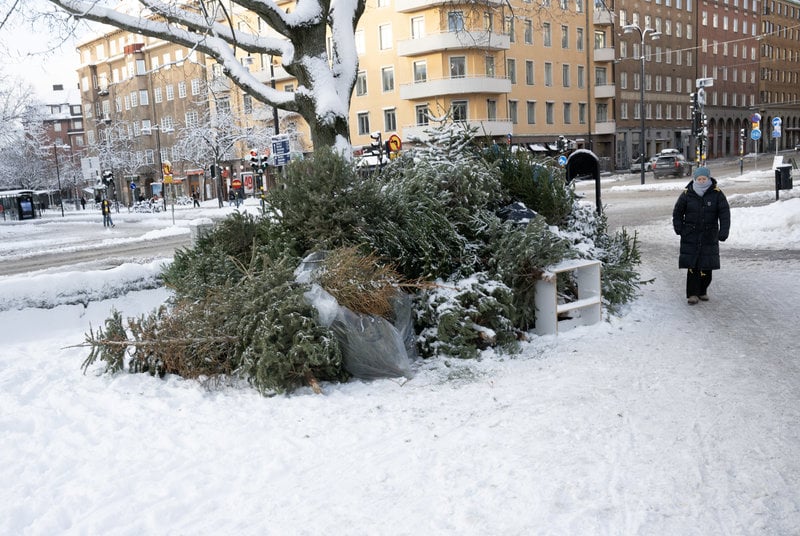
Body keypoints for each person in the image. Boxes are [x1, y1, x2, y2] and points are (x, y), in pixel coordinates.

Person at [672, 166, 730, 305]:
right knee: (693, 266)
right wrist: (679, 228)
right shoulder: (687, 194)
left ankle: (703, 291)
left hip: (709, 235)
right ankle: (692, 294)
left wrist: (723, 232)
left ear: (708, 179)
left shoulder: (717, 194)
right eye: (699, 179)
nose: (702, 181)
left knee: (707, 265)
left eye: (704, 179)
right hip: (690, 235)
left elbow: (724, 214)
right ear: (695, 179)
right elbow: (678, 212)